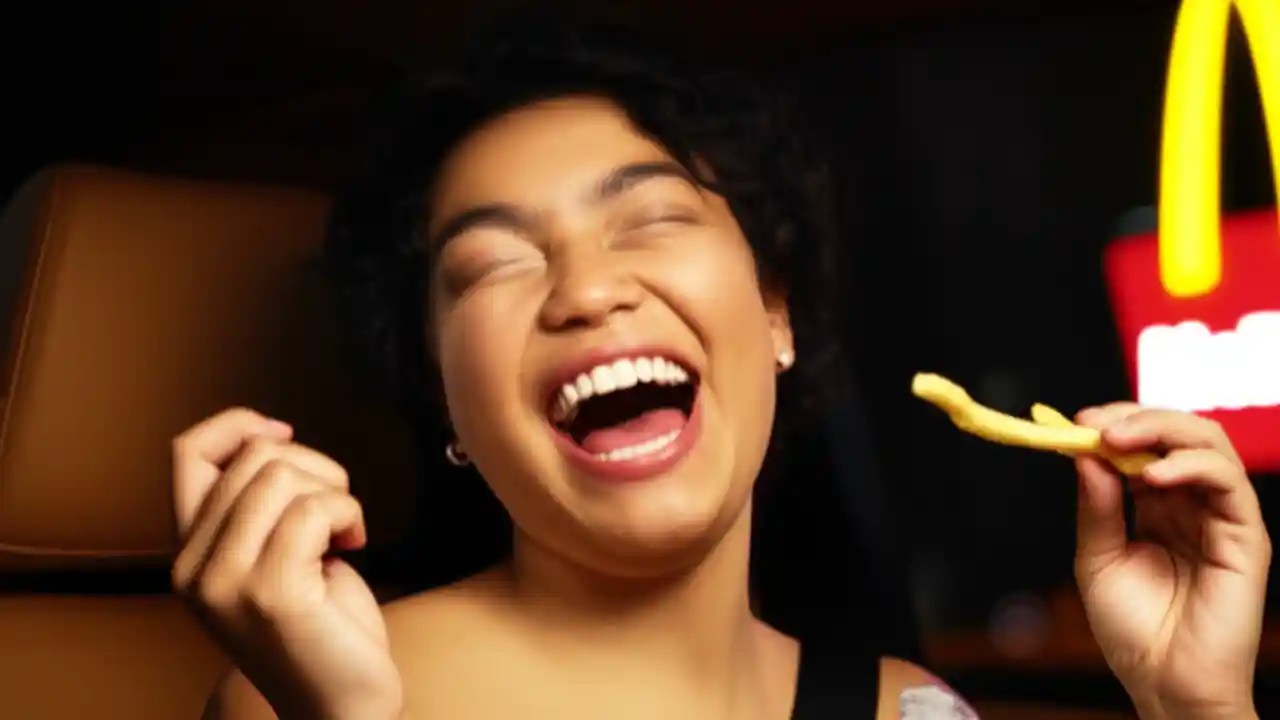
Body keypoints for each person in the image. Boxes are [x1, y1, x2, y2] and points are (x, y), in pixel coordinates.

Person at [168, 18, 1271, 720]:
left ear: (775, 313)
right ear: (446, 396)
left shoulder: (912, 712)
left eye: (647, 220)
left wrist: (1197, 706)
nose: (586, 291)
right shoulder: (315, 693)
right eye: (496, 262)